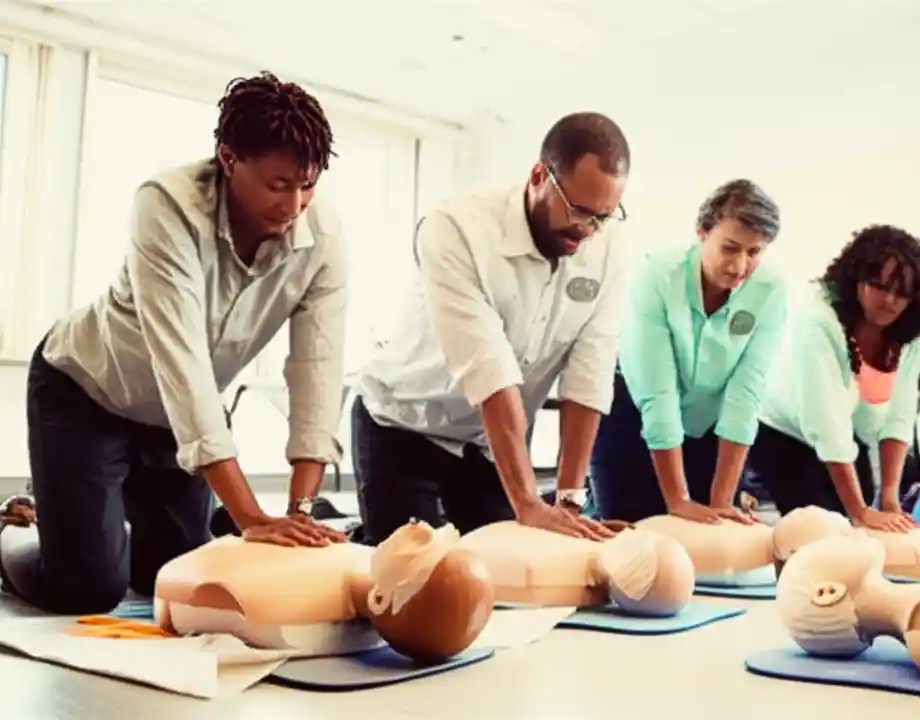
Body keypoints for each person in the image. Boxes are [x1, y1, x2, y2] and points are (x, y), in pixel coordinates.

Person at [0, 72, 349, 615]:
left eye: (307, 185)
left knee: (173, 578)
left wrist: (300, 511)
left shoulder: (323, 237)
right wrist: (252, 518)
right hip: (87, 393)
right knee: (88, 588)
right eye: (278, 185)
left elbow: (317, 368)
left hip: (170, 421)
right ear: (229, 159)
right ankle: (13, 529)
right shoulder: (166, 204)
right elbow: (181, 359)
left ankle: (76, 521)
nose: (295, 204)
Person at [351, 112, 630, 544]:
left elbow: (588, 381)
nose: (588, 229)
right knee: (415, 579)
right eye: (577, 210)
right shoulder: (457, 228)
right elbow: (491, 376)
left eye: (603, 216)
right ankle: (363, 537)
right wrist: (528, 504)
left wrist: (568, 502)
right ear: (539, 175)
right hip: (405, 424)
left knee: (511, 566)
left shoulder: (607, 248)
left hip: (486, 445)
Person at [588, 179, 786, 524]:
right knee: (632, 544)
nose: (740, 266)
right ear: (702, 232)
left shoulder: (770, 290)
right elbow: (658, 393)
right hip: (633, 418)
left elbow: (746, 394)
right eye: (730, 248)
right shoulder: (658, 275)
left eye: (754, 253)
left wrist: (722, 500)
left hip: (709, 428)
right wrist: (677, 499)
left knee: (710, 535)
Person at [748, 224, 920, 532]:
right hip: (783, 431)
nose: (890, 300)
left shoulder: (909, 329)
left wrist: (889, 499)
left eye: (901, 294)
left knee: (865, 528)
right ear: (857, 278)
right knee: (822, 530)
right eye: (880, 286)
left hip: (849, 432)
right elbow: (824, 421)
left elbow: (899, 416)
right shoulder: (818, 321)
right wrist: (860, 511)